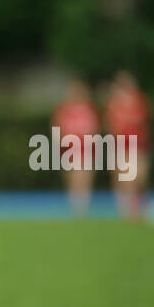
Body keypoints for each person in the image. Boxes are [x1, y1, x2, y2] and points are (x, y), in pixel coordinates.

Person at [104, 70, 151, 220]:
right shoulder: (113, 103)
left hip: (138, 146)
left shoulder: (138, 100)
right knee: (124, 178)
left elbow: (142, 121)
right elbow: (111, 125)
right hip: (121, 146)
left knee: (140, 178)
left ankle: (139, 205)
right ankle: (128, 209)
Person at [52, 78, 99, 216]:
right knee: (72, 178)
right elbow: (57, 127)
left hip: (85, 150)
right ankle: (75, 206)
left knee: (84, 177)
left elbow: (94, 129)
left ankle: (83, 206)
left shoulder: (89, 109)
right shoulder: (64, 109)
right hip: (70, 151)